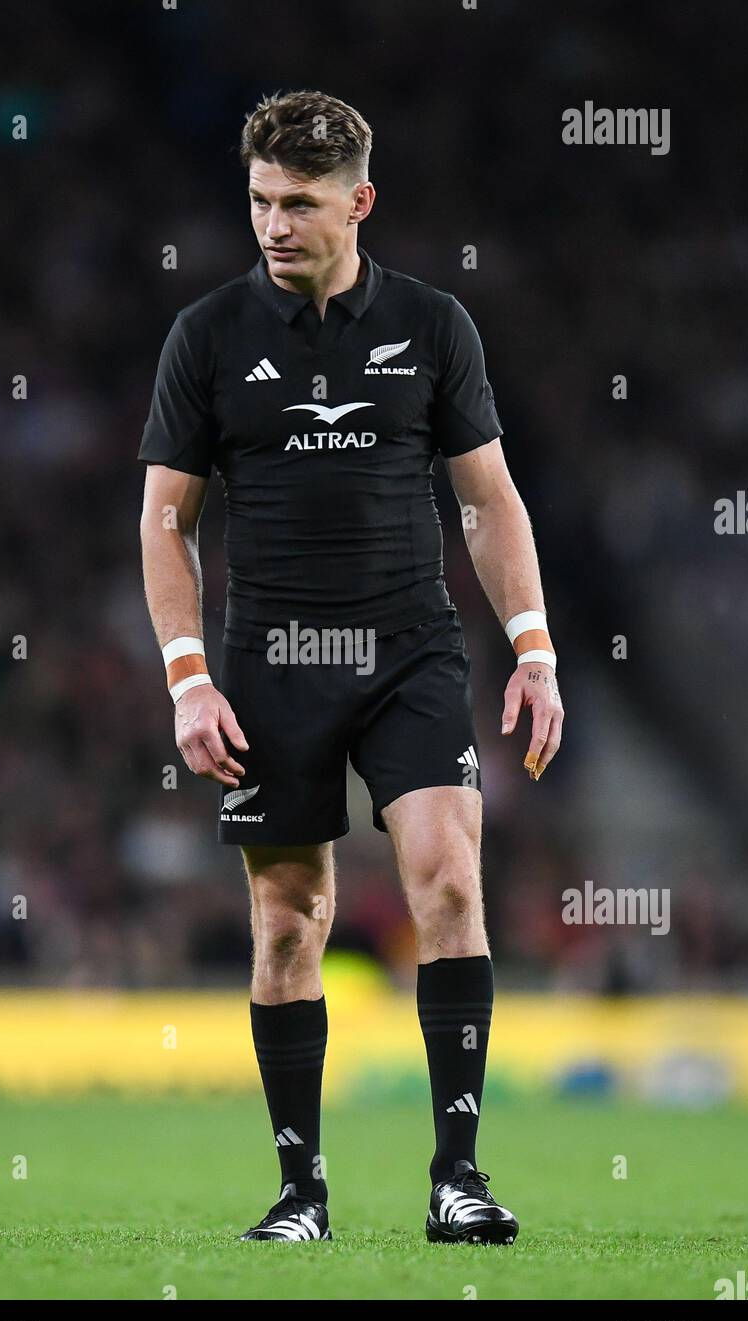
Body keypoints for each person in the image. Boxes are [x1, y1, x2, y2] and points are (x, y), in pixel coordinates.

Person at [139, 89, 563, 1244]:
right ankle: (299, 1193)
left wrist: (531, 651)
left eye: (300, 203)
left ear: (358, 202)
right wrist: (187, 678)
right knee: (288, 923)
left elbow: (486, 502)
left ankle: (456, 1177)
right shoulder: (207, 336)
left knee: (447, 883)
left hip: (408, 651)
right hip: (266, 665)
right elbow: (165, 522)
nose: (274, 224)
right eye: (260, 202)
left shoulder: (433, 326)